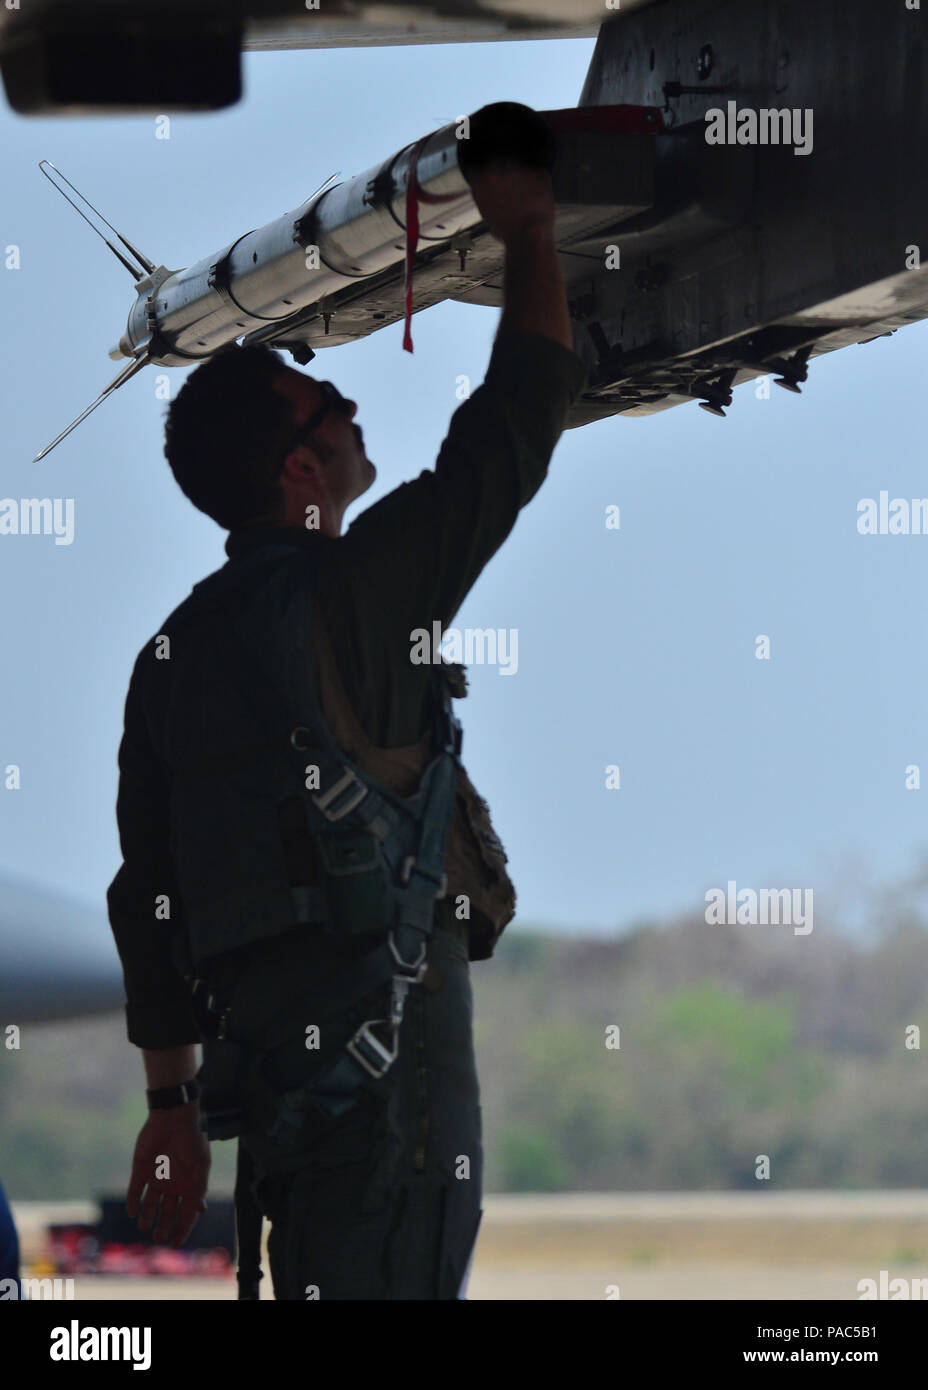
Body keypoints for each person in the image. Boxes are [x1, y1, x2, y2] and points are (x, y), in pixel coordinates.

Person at [107, 146, 588, 1300]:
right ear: (300, 470)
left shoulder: (167, 658)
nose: (354, 401)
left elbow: (148, 899)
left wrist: (170, 1110)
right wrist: (528, 229)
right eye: (329, 402)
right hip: (391, 1098)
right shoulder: (361, 594)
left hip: (272, 1101)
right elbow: (511, 430)